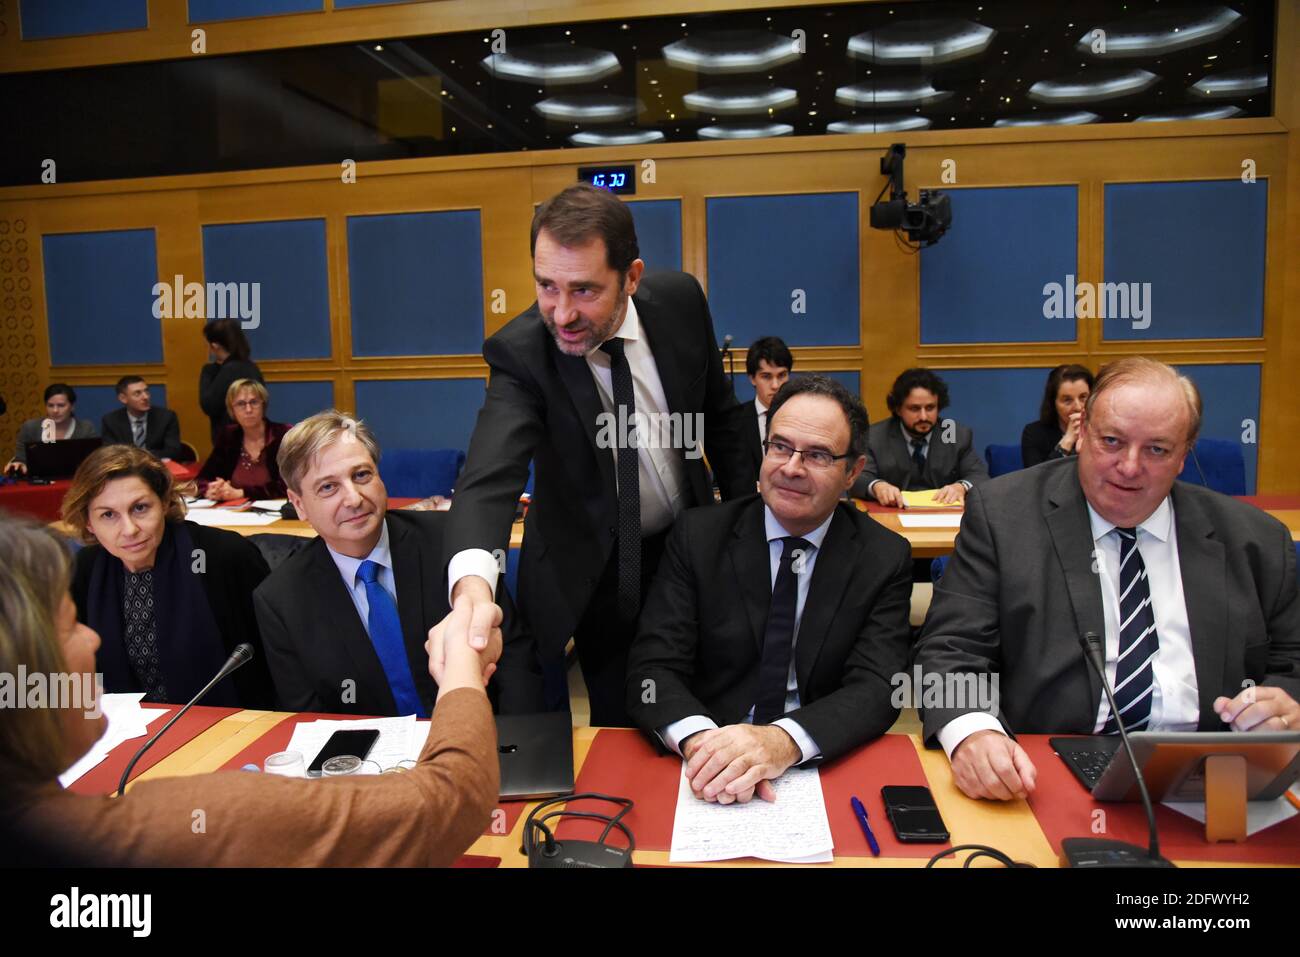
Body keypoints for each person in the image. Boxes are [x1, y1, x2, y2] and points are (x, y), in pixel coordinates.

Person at [0, 511, 501, 867]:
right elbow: (449, 800)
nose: (92, 638)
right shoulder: (195, 824)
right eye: (69, 626)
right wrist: (461, 664)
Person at [913, 357, 1300, 802]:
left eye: (1157, 449)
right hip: (1045, 772)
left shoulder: (1256, 540)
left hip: (1217, 780)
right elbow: (950, 648)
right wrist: (973, 732)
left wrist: (1286, 705)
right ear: (1081, 433)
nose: (1129, 467)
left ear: (1184, 454)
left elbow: (1292, 662)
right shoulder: (1004, 516)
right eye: (1112, 441)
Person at [441, 184, 755, 727]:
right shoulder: (522, 354)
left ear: (631, 277)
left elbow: (722, 417)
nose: (561, 313)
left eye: (584, 290)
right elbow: (488, 479)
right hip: (600, 573)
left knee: (718, 700)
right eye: (546, 286)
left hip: (691, 547)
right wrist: (472, 588)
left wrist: (753, 526)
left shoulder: (680, 302)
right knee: (625, 723)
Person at [627, 376, 912, 803]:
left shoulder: (884, 555)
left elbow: (878, 686)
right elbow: (652, 668)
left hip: (816, 759)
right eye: (780, 446)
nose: (792, 468)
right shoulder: (700, 536)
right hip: (703, 762)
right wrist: (708, 747)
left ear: (853, 471)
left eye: (817, 455)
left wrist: (781, 742)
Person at [255, 411, 542, 717]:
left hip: (481, 735)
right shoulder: (281, 599)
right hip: (364, 759)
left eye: (361, 475)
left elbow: (516, 662)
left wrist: (514, 752)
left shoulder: (453, 542)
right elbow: (306, 717)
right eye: (328, 487)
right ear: (298, 504)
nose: (353, 498)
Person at [63, 445, 277, 709]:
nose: (129, 529)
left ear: (164, 502)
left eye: (140, 508)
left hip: (229, 729)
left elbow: (274, 666)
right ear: (88, 522)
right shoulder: (85, 570)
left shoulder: (225, 557)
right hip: (129, 732)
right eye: (108, 515)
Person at [852, 368, 988, 506]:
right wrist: (877, 486)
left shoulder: (954, 434)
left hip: (944, 517)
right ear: (898, 409)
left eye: (930, 408)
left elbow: (980, 476)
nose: (923, 416)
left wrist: (961, 486)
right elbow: (856, 478)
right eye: (914, 409)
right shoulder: (875, 436)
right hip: (891, 515)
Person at [196, 379, 290, 501]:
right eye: (241, 404)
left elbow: (289, 484)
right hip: (234, 512)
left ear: (263, 405)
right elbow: (201, 480)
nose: (248, 409)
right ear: (232, 410)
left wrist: (241, 493)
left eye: (254, 402)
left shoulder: (283, 434)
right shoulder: (229, 436)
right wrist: (211, 489)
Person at [4, 384, 98, 476]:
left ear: (72, 406)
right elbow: (20, 457)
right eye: (50, 405)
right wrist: (19, 464)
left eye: (61, 405)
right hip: (38, 484)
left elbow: (95, 461)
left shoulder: (85, 428)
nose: (55, 410)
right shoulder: (31, 428)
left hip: (76, 483)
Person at [199, 318, 263, 443]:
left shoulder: (227, 371)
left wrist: (207, 372)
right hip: (255, 435)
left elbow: (209, 405)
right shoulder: (252, 367)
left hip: (230, 440)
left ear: (214, 346)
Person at [1021, 364, 1094, 468]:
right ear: (1053, 403)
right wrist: (1067, 440)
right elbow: (1036, 481)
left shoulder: (1103, 430)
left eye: (1083, 397)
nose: (1078, 407)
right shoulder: (1034, 433)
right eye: (1067, 400)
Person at [99, 376, 186, 461]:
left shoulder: (166, 417)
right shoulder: (110, 421)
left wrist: (139, 457)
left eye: (146, 391)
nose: (145, 397)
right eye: (137, 393)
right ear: (123, 398)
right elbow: (110, 454)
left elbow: (173, 451)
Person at [743, 336, 794, 473]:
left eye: (782, 375)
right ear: (752, 378)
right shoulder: (736, 420)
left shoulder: (804, 417)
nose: (775, 385)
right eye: (766, 376)